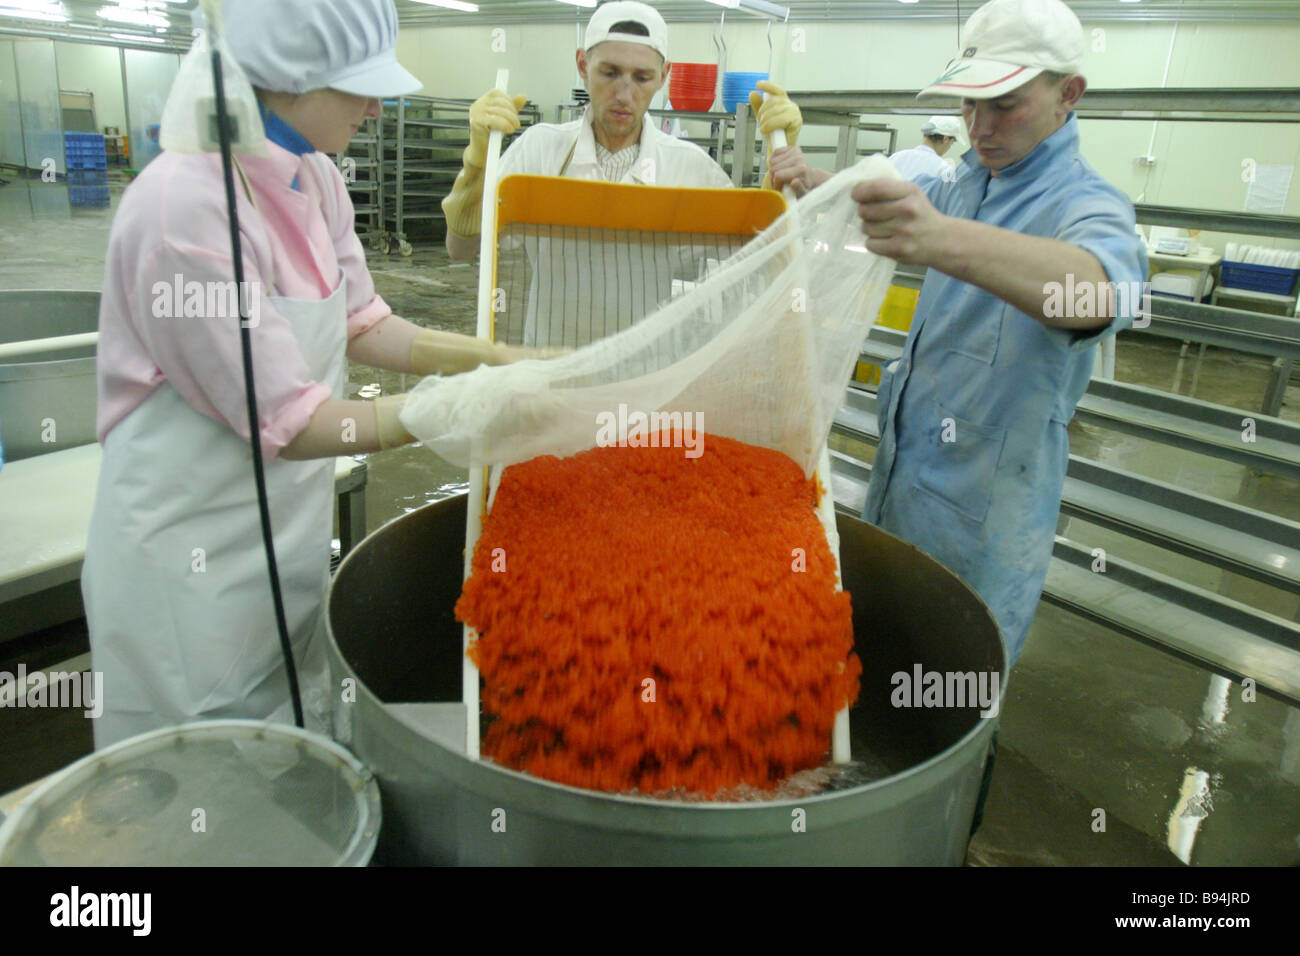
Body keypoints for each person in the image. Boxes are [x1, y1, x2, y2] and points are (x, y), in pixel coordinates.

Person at [82, 0, 544, 749]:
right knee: (197, 780)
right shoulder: (184, 211)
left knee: (288, 750)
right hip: (186, 564)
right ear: (283, 79)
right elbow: (293, 423)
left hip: (284, 535)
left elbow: (366, 322)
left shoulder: (314, 177)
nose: (373, 106)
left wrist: (498, 358)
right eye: (355, 87)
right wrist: (448, 409)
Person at [846, 0, 1148, 668]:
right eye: (967, 107)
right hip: (903, 486)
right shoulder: (971, 181)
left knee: (955, 690)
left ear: (1069, 94)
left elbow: (1097, 292)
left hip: (983, 520)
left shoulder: (1084, 203)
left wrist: (939, 236)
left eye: (1005, 105)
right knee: (882, 669)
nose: (980, 128)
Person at [888, 115, 962, 181]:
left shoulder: (896, 157)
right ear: (945, 139)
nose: (949, 148)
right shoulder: (942, 168)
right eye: (952, 143)